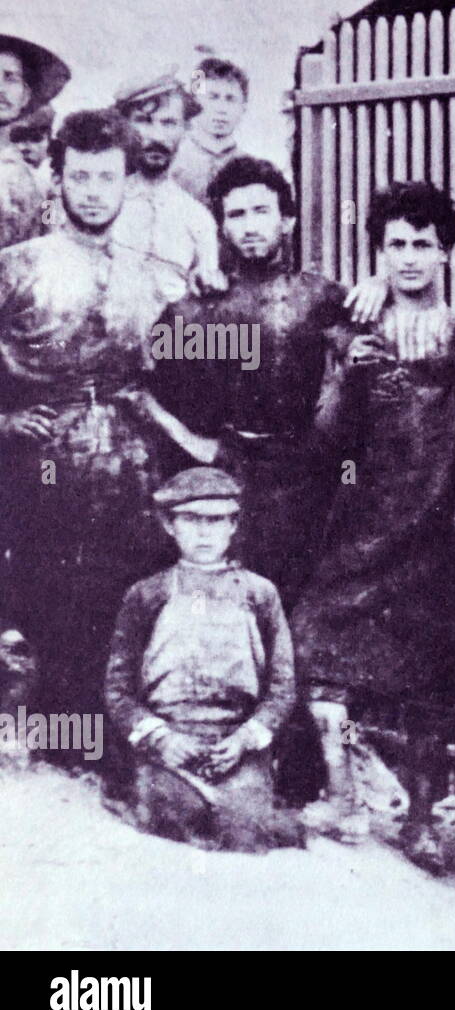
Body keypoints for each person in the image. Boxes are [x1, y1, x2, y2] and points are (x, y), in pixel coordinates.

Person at [290, 181, 455, 853]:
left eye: (423, 245)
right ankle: (344, 796)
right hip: (363, 522)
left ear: (446, 254)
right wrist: (349, 376)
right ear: (378, 252)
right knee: (320, 657)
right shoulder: (355, 331)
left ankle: (421, 822)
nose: (409, 258)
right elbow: (324, 441)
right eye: (396, 245)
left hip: (439, 531)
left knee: (429, 685)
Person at [0, 110, 170, 758]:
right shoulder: (17, 267)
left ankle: (91, 751)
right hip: (29, 471)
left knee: (108, 608)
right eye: (81, 176)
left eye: (107, 176)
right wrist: (5, 420)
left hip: (122, 475)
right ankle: (38, 748)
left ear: (127, 182)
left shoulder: (148, 278)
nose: (94, 190)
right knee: (40, 605)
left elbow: (176, 369)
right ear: (58, 178)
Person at [146, 157, 355, 611]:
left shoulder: (324, 298)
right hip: (233, 481)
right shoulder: (195, 310)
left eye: (261, 211)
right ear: (221, 228)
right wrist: (208, 449)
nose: (250, 226)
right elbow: (153, 397)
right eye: (236, 215)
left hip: (313, 483)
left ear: (287, 220)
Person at [103, 466, 303, 852]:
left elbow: (282, 687)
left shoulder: (260, 594)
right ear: (169, 525)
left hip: (234, 741)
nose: (204, 532)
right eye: (191, 520)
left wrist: (245, 740)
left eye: (216, 521)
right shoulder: (146, 594)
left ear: (233, 525)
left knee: (244, 832)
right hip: (170, 738)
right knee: (172, 817)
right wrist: (162, 738)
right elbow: (117, 689)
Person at [112, 69, 225, 304]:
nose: (157, 136)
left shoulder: (198, 219)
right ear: (123, 126)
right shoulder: (100, 204)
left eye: (169, 123)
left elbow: (207, 302)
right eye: (144, 121)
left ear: (185, 129)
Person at [0, 34, 69, 247]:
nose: (0, 89)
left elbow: (49, 237)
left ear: (25, 96)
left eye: (10, 78)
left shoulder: (43, 186)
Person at [171, 56, 249, 203]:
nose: (221, 109)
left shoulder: (250, 168)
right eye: (213, 97)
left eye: (230, 99)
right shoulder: (173, 163)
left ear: (243, 107)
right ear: (194, 102)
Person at [8, 104, 55, 198]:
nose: (21, 147)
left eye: (34, 139)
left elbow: (48, 211)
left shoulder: (57, 174)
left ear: (48, 137)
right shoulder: (10, 168)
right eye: (17, 139)